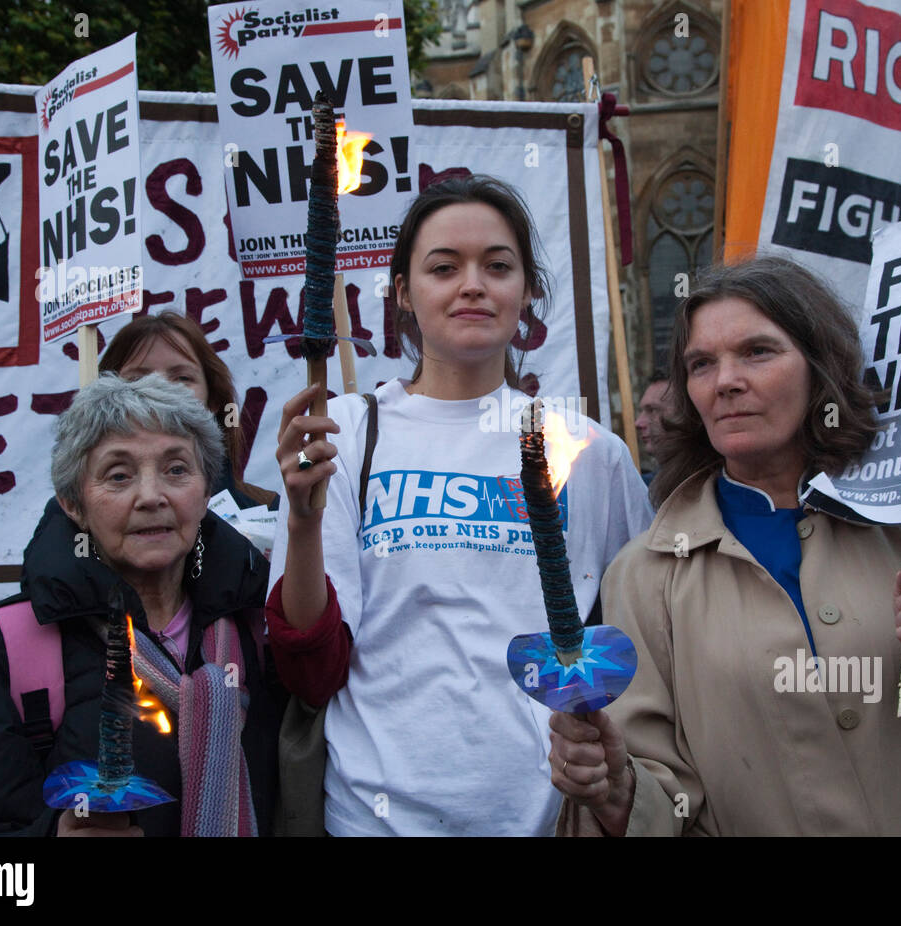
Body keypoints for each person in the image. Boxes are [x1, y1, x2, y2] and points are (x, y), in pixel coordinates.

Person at [548, 256, 901, 836]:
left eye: (757, 352)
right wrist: (615, 787)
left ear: (820, 369)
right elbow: (658, 795)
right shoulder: (645, 572)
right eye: (701, 364)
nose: (726, 381)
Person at [268, 174, 653, 835]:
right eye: (443, 268)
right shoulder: (346, 433)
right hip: (372, 817)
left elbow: (639, 640)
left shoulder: (589, 451)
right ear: (402, 294)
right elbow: (311, 664)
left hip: (539, 816)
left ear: (528, 290)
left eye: (498, 266)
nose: (472, 285)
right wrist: (303, 520)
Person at [0, 374, 343, 836]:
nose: (151, 496)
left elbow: (320, 682)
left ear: (205, 492)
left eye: (177, 470)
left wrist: (302, 505)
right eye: (119, 475)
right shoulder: (3, 653)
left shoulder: (255, 626)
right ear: (73, 503)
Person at [100, 310, 277, 510]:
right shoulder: (72, 516)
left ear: (213, 402)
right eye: (138, 380)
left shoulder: (268, 510)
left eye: (182, 379)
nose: (161, 391)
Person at [634, 371, 674, 485]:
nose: (638, 423)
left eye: (652, 410)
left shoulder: (719, 488)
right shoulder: (643, 489)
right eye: (642, 411)